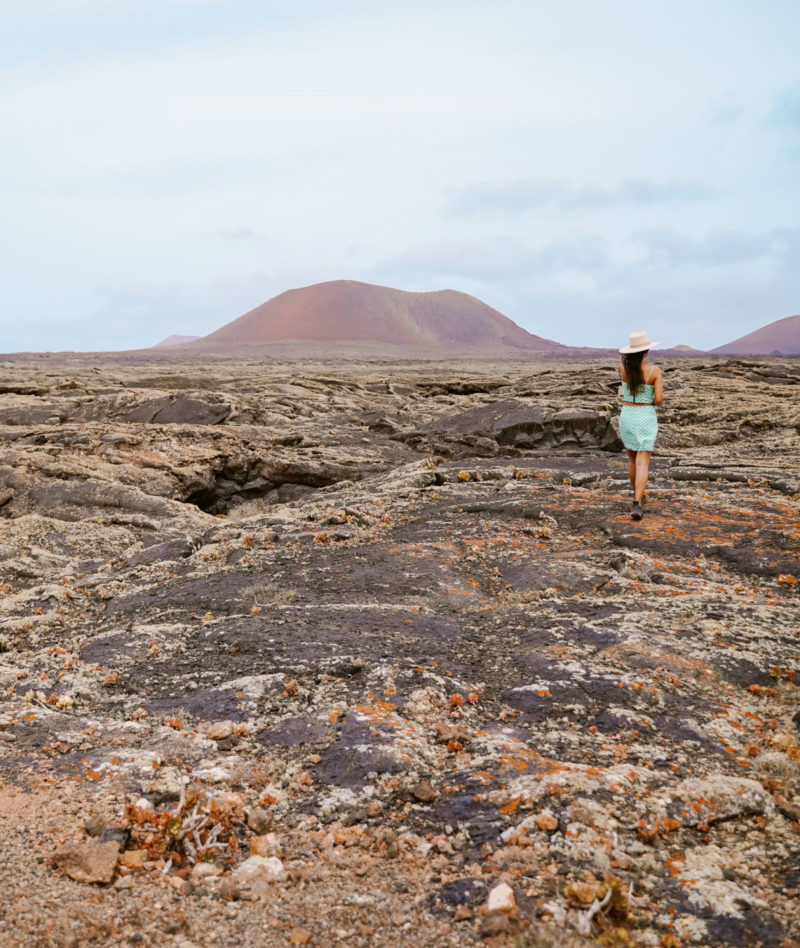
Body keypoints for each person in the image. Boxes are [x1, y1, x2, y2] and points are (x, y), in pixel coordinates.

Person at [617, 331, 663, 521]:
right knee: (643, 461)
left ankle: (638, 497)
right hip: (645, 415)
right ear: (645, 352)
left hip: (627, 414)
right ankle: (637, 502)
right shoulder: (654, 372)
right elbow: (659, 400)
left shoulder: (621, 369)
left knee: (632, 459)